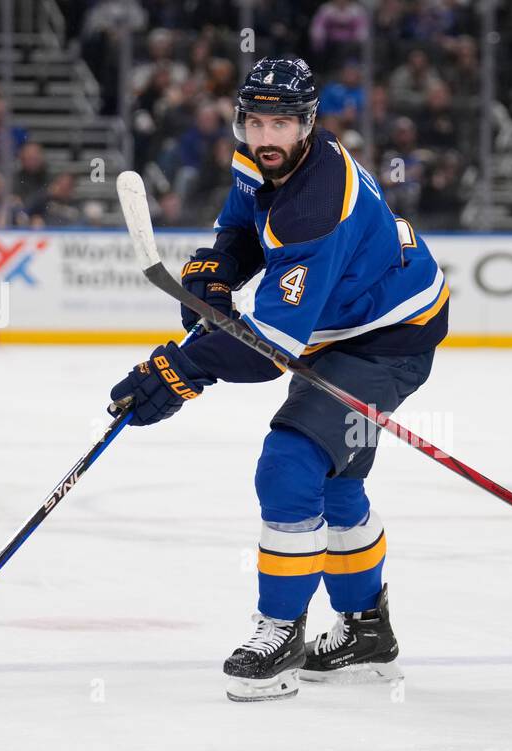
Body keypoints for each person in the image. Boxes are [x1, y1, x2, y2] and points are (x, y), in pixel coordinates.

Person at [108, 58, 448, 702]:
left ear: (308, 125)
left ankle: (281, 633)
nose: (265, 135)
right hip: (343, 323)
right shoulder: (261, 158)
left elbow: (269, 353)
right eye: (255, 120)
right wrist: (218, 270)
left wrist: (181, 369)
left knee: (290, 463)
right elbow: (239, 228)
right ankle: (367, 634)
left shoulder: (315, 208)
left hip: (388, 340)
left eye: (282, 123)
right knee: (334, 475)